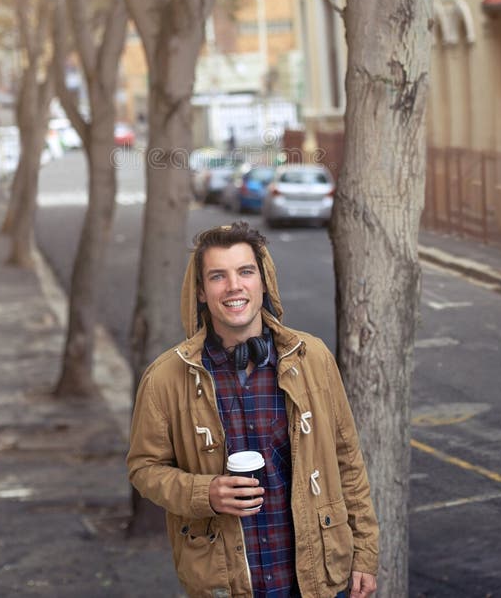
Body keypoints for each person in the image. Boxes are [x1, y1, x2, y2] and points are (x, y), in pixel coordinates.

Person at [127, 222, 378, 598]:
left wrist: (365, 554)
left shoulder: (312, 358)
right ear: (201, 291)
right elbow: (144, 468)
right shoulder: (166, 377)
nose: (234, 286)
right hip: (227, 583)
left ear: (263, 281)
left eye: (245, 271)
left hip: (318, 579)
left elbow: (347, 461)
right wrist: (205, 493)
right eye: (218, 276)